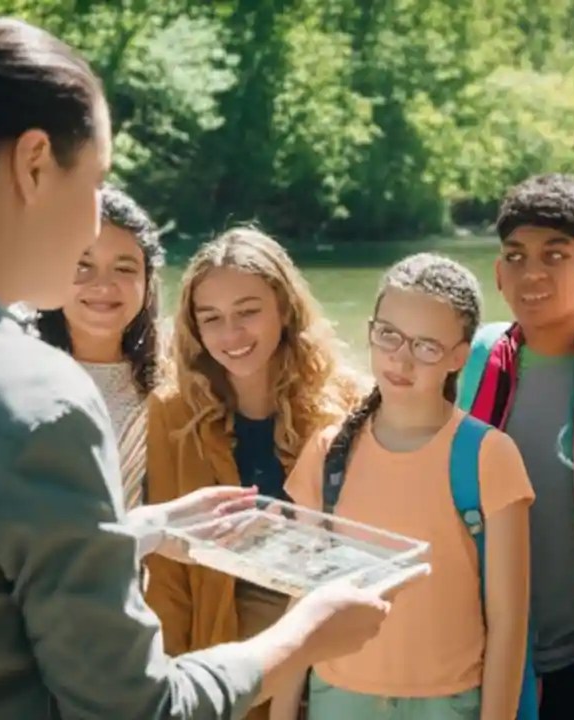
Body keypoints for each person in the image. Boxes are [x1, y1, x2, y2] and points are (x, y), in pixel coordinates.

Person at [0, 18, 411, 719]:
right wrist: (303, 634)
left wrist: (143, 529)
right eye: (95, 180)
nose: (96, 221)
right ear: (34, 164)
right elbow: (139, 707)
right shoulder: (40, 402)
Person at [271, 253, 536, 720]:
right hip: (337, 697)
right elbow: (302, 596)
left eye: (426, 346)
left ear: (459, 356)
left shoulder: (488, 456)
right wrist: (283, 710)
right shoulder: (328, 452)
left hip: (451, 702)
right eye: (388, 334)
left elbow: (509, 622)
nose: (401, 357)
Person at [145, 227, 366, 720]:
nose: (231, 335)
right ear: (195, 328)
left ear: (284, 309)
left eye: (248, 312)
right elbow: (168, 571)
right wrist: (169, 682)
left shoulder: (347, 406)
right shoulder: (173, 413)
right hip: (218, 643)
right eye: (212, 319)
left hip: (325, 653)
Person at [458, 174, 574, 719]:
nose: (530, 273)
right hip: (480, 656)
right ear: (497, 272)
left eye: (555, 255)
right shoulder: (467, 362)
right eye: (515, 256)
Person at [36, 184, 163, 510]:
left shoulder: (172, 384)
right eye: (82, 265)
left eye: (124, 269)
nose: (103, 285)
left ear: (148, 282)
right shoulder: (12, 374)